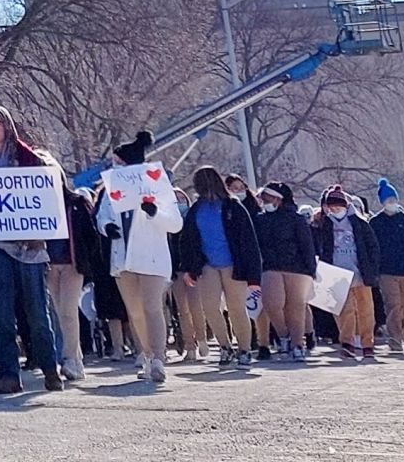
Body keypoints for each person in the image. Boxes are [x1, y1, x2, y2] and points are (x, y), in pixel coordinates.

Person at [0, 104, 64, 396]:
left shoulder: (30, 159)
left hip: (31, 249)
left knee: (37, 312)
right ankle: (8, 374)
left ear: (7, 125)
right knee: (1, 313)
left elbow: (48, 198)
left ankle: (50, 369)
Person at [95, 130, 172, 386]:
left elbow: (175, 222)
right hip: (123, 258)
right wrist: (107, 227)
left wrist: (154, 213)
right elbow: (102, 215)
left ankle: (159, 358)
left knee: (152, 306)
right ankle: (147, 355)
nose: (115, 165)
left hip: (150, 257)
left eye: (118, 161)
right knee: (135, 311)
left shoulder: (156, 183)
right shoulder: (111, 188)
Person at [172, 166, 263, 367]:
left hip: (233, 264)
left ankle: (245, 349)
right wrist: (189, 268)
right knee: (210, 307)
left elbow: (249, 242)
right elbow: (188, 241)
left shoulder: (234, 206)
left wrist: (254, 276)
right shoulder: (196, 209)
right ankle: (225, 346)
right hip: (207, 266)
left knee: (236, 308)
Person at [312, 184, 381, 359]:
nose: (335, 210)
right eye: (332, 207)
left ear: (345, 206)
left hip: (359, 270)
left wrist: (372, 268)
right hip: (336, 273)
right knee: (344, 309)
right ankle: (347, 342)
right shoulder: (324, 224)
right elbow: (319, 246)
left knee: (366, 308)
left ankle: (367, 343)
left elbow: (372, 246)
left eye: (338, 206)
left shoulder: (359, 223)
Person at [253, 181, 316, 361]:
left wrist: (311, 269)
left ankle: (297, 345)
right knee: (272, 304)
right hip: (270, 267)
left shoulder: (295, 219)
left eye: (268, 198)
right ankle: (283, 335)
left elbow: (307, 245)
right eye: (263, 198)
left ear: (279, 199)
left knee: (295, 307)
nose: (265, 202)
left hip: (297, 268)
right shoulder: (260, 220)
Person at [47, 176, 103, 381]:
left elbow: (91, 236)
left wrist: (87, 266)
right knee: (60, 313)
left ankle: (70, 359)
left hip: (73, 264)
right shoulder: (37, 204)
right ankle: (76, 356)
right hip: (50, 265)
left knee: (69, 311)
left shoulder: (77, 203)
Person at [367, 179, 404, 357]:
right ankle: (395, 340)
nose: (391, 202)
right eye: (387, 199)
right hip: (387, 272)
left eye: (393, 198)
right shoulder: (376, 222)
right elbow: (372, 247)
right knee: (393, 306)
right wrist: (376, 269)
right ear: (382, 202)